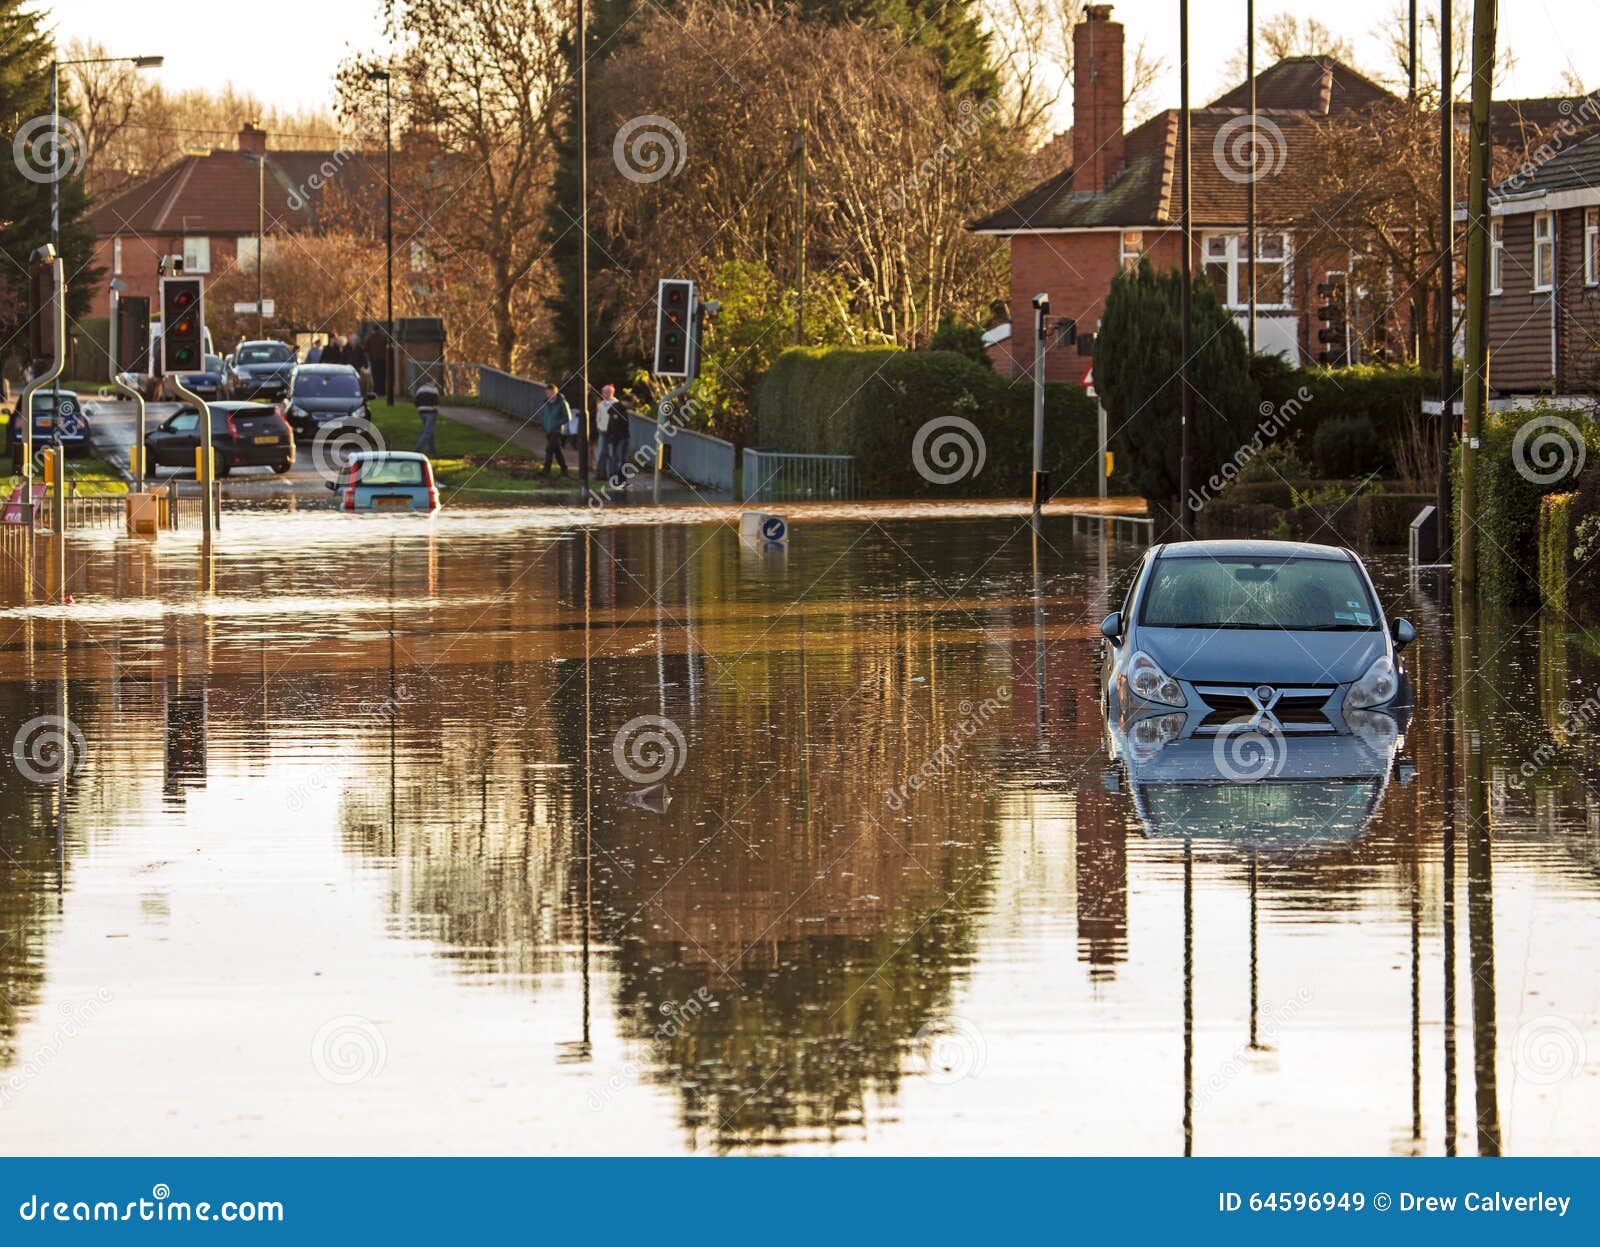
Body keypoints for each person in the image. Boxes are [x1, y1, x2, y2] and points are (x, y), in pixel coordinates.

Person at [536, 381, 571, 477]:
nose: (548, 395)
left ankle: (546, 470)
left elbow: (567, 417)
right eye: (547, 393)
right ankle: (564, 469)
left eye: (551, 393)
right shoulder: (545, 403)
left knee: (549, 449)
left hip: (557, 430)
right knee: (557, 451)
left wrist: (557, 424)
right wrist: (544, 424)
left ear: (555, 392)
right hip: (548, 430)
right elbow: (542, 415)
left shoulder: (562, 403)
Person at [604, 394, 632, 482]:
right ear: (626, 401)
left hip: (621, 437)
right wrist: (620, 437)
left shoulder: (619, 409)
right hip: (618, 438)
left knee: (619, 459)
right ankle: (616, 478)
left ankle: (620, 478)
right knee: (617, 459)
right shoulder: (618, 410)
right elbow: (615, 426)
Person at [413, 377, 440, 456]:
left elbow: (416, 402)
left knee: (429, 432)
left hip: (422, 412)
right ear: (432, 381)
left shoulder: (420, 389)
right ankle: (417, 450)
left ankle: (432, 451)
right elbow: (436, 402)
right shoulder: (434, 390)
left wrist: (419, 408)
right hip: (431, 412)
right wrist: (435, 410)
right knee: (427, 432)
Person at [592, 384, 615, 472]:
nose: (604, 394)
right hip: (602, 431)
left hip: (612, 432)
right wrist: (599, 426)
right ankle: (601, 472)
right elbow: (598, 417)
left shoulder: (616, 404)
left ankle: (612, 472)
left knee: (611, 453)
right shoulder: (601, 404)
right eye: (604, 392)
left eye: (606, 392)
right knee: (601, 452)